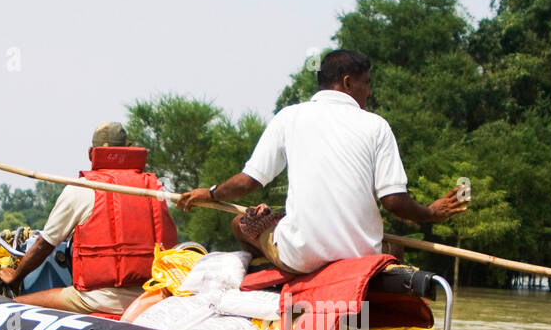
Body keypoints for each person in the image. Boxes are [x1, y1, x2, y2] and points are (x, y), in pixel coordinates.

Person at [177, 50, 467, 274]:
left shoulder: (289, 116)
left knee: (242, 223)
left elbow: (248, 182)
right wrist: (430, 212)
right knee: (396, 247)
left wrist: (211, 193)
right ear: (348, 82)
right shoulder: (377, 126)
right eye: (366, 84)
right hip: (361, 257)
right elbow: (394, 202)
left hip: (300, 257)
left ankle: (272, 280)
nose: (369, 91)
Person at [0, 122, 177, 314]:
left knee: (17, 306)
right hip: (150, 298)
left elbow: (45, 245)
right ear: (128, 149)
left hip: (101, 299)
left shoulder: (81, 188)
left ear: (92, 152)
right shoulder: (154, 187)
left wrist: (16, 276)